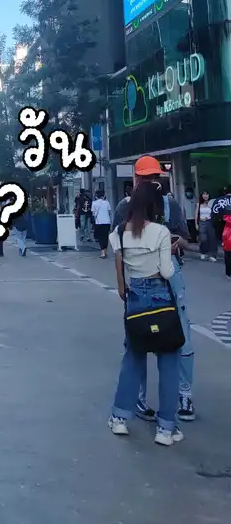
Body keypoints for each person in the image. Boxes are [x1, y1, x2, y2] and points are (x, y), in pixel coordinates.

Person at [111, 155, 196, 423]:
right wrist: (122, 283)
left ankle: (184, 394)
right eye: (146, 177)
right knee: (139, 338)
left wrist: (175, 243)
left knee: (179, 335)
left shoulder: (170, 204)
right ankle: (142, 400)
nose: (151, 182)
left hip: (168, 276)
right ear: (136, 178)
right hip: (142, 277)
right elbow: (118, 247)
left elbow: (185, 239)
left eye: (154, 177)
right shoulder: (125, 208)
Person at [108, 182, 183, 446]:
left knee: (133, 357)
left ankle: (119, 418)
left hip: (136, 297)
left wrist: (123, 288)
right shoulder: (161, 232)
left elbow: (119, 268)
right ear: (154, 206)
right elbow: (167, 272)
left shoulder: (119, 233)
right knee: (169, 359)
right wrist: (171, 252)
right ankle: (166, 428)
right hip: (161, 297)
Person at [196, 191, 216, 262]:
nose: (205, 196)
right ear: (201, 195)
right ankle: (203, 252)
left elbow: (214, 212)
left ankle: (213, 255)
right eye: (204, 194)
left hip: (210, 222)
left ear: (209, 195)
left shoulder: (212, 203)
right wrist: (196, 223)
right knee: (203, 239)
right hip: (201, 222)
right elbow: (196, 214)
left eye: (206, 194)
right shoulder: (199, 204)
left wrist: (209, 217)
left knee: (212, 239)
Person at [91, 191, 112, 259]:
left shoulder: (94, 203)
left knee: (100, 238)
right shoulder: (107, 202)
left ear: (96, 196)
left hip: (99, 222)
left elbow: (93, 214)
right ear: (103, 195)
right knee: (105, 237)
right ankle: (104, 252)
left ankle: (103, 253)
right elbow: (109, 212)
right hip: (107, 222)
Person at [222, 214, 231, 278]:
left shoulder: (226, 218)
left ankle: (228, 273)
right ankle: (228, 272)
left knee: (228, 256)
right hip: (228, 239)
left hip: (227, 239)